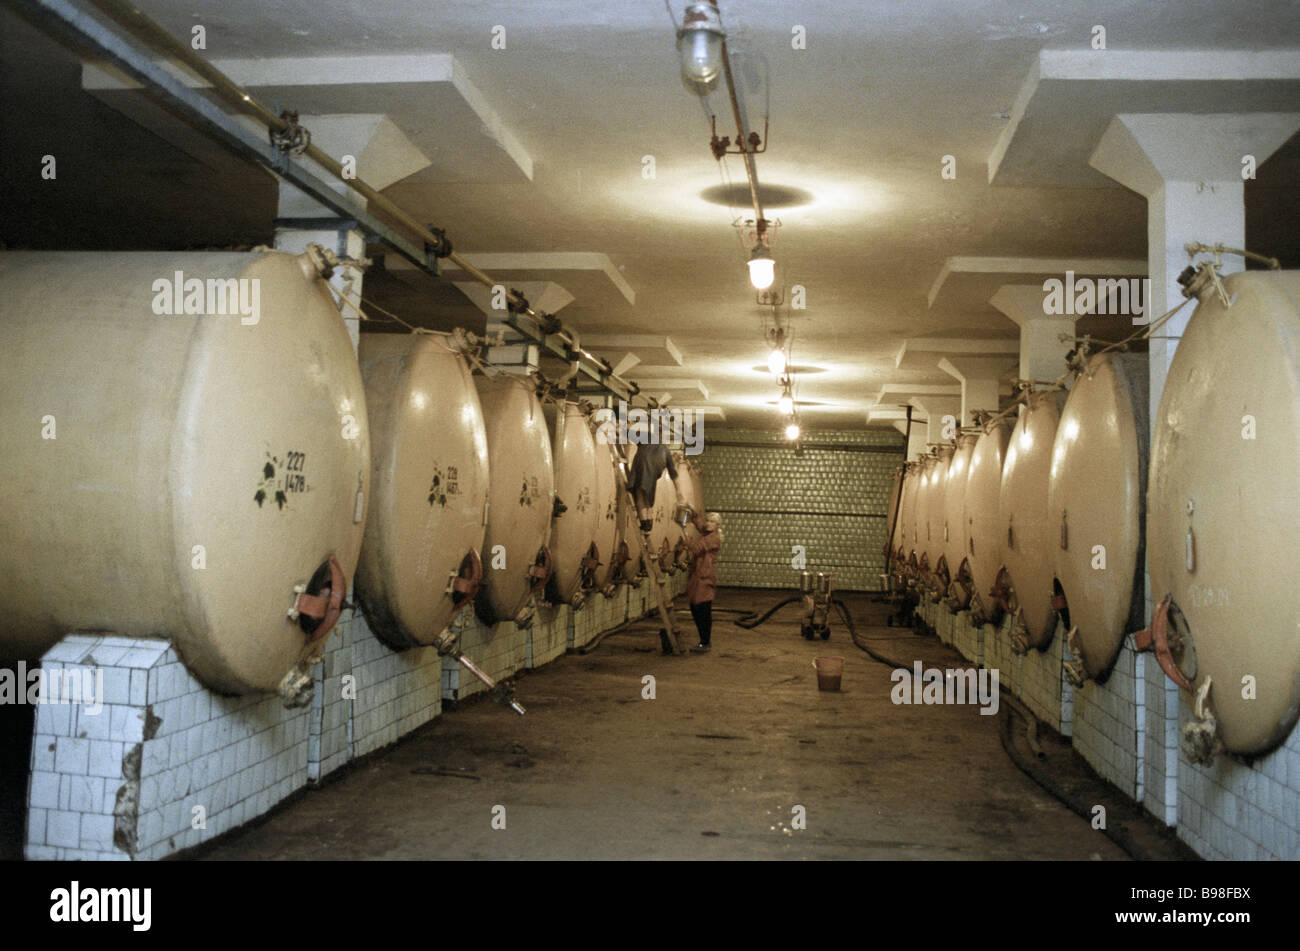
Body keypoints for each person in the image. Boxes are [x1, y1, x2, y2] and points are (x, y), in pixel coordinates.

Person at [685, 510, 723, 653]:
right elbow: (701, 526)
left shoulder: (713, 538)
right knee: (696, 607)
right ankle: (704, 641)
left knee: (703, 609)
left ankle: (705, 642)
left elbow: (696, 549)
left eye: (712, 521)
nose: (708, 523)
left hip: (705, 577)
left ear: (717, 525)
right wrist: (694, 514)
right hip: (699, 576)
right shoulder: (708, 533)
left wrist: (688, 543)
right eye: (708, 520)